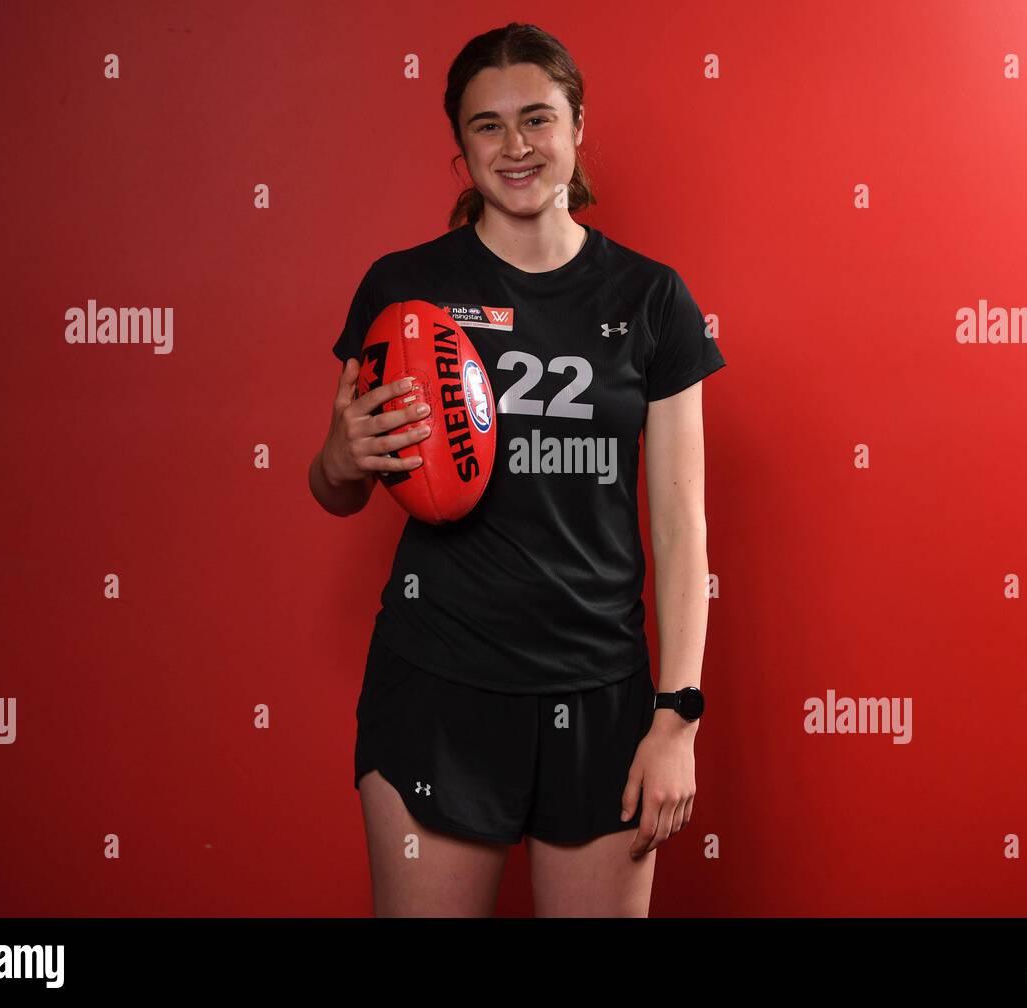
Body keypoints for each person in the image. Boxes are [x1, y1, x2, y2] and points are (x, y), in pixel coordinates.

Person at [308, 23, 726, 917]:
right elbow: (338, 485)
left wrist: (675, 716)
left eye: (537, 117)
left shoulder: (653, 300)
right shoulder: (403, 289)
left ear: (578, 127)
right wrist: (337, 459)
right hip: (440, 686)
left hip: (601, 691)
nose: (517, 146)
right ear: (461, 150)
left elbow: (680, 523)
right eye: (486, 126)